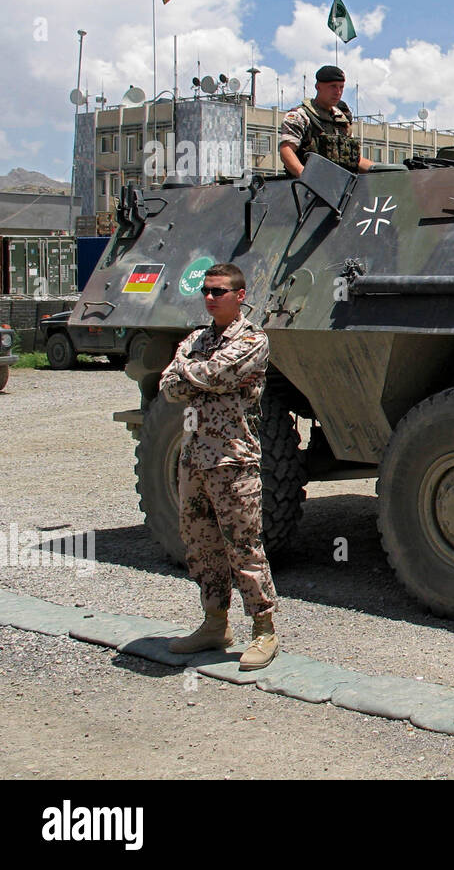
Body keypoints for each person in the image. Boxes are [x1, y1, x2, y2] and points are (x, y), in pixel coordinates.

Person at [159, 262, 280, 670]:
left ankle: (264, 631)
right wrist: (198, 375)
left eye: (220, 291)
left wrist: (191, 372)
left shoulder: (252, 339)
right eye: (206, 291)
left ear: (240, 295)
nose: (210, 298)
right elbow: (169, 386)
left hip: (233, 459)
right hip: (194, 459)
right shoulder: (196, 338)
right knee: (200, 545)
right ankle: (215, 624)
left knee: (243, 547)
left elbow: (218, 373)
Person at [278, 64, 372, 176]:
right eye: (333, 86)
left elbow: (354, 160)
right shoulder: (301, 116)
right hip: (305, 189)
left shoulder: (342, 120)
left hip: (341, 188)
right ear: (318, 87)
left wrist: (384, 170)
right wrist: (305, 177)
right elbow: (286, 150)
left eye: (341, 87)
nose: (338, 92)